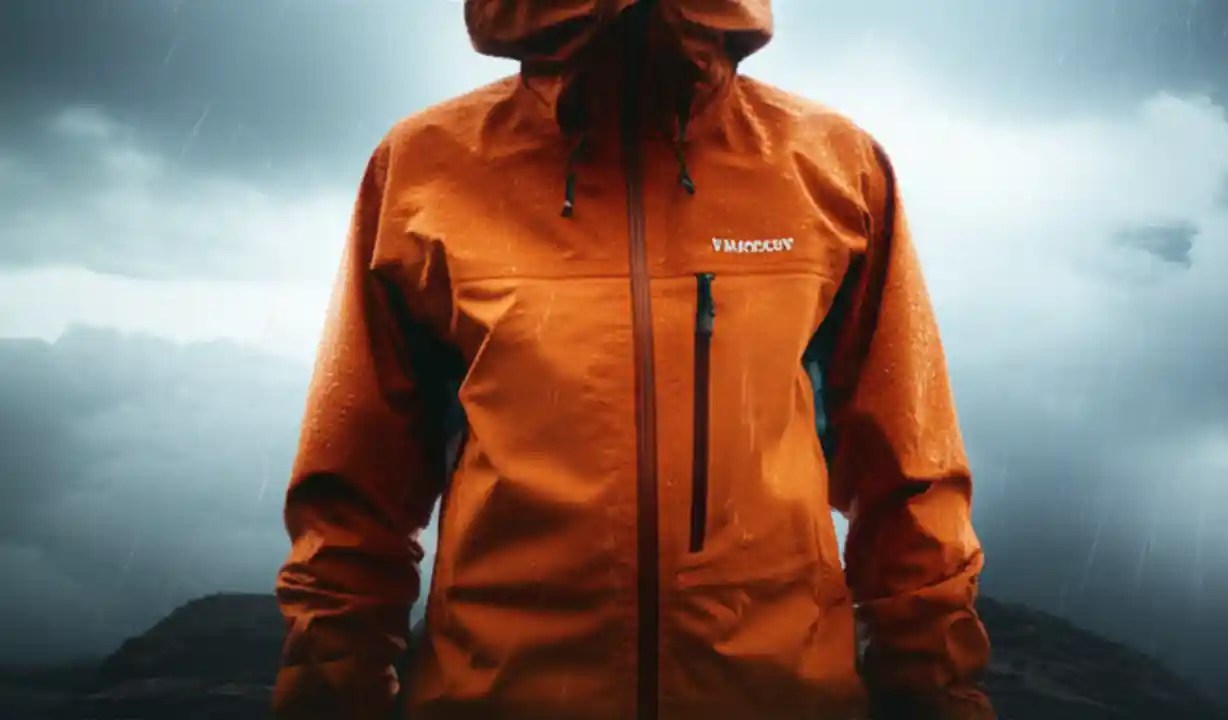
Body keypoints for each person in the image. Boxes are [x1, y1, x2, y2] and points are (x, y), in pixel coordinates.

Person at [271, 1, 994, 718]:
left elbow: (907, 479)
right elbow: (355, 500)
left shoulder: (834, 167)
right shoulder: (424, 169)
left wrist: (939, 696)